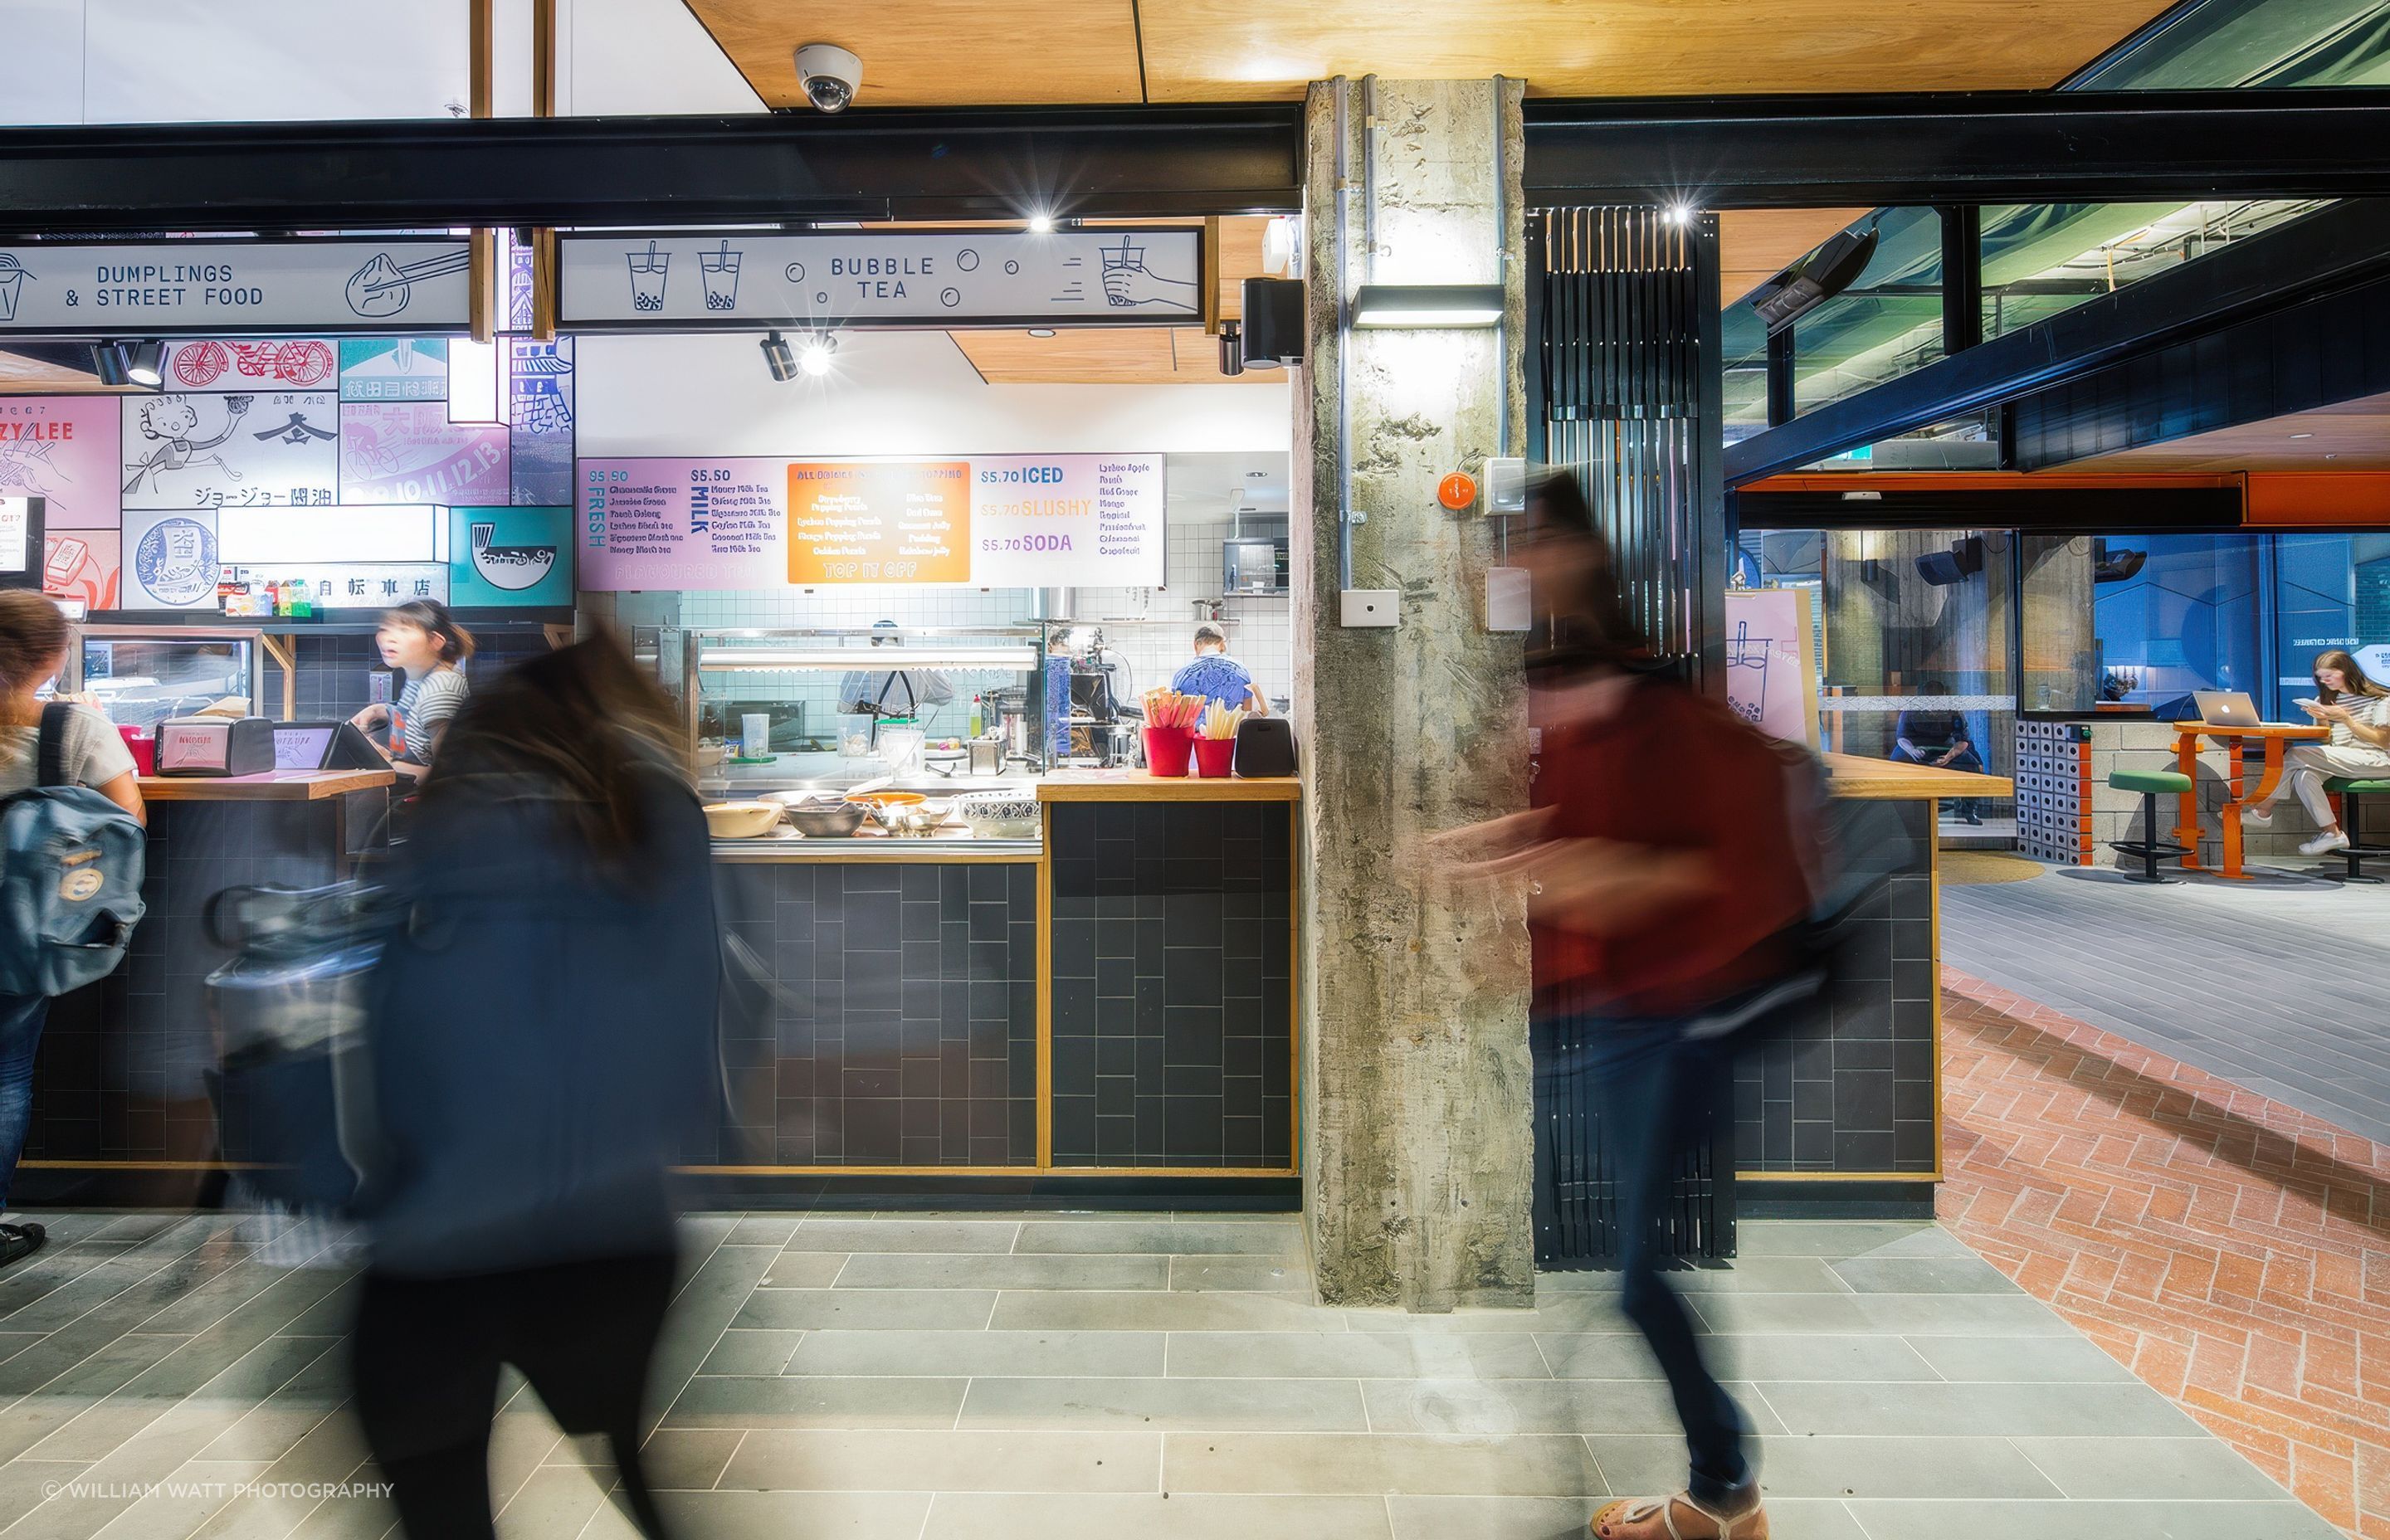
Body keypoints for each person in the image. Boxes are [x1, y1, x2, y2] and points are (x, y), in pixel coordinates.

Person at [1433, 472, 1811, 1540]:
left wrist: (1566, 869)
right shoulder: (1569, 671)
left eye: (1519, 543)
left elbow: (1688, 863)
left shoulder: (1642, 691)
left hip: (1673, 1009)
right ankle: (1724, 1492)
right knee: (1636, 1269)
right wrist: (1486, 853)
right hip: (1612, 1006)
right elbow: (1575, 820)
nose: (1501, 564)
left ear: (1569, 550)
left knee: (1641, 1276)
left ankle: (1728, 1494)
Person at [348, 635, 718, 1539]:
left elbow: (386, 1033)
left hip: (438, 1240)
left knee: (442, 1505)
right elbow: (690, 1029)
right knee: (641, 1472)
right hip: (615, 1227)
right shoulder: (655, 814)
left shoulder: (439, 828)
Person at [0, 592, 144, 1267]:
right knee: (5, 1074)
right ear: (55, 656)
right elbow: (129, 820)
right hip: (23, 930)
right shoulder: (73, 728)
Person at [2241, 648, 2390, 856]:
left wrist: (2346, 719)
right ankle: (2332, 833)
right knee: (2304, 776)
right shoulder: (2326, 700)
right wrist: (2321, 717)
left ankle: (2263, 810)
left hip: (2378, 759)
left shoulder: (2381, 700)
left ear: (2347, 671)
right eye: (2321, 678)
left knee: (2297, 754)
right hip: (2344, 756)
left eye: (2329, 676)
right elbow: (2327, 739)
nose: (2325, 681)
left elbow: (2383, 741)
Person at [349, 600, 472, 782]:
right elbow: (416, 714)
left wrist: (384, 760)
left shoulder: (441, 689)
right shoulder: (420, 674)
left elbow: (449, 775)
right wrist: (379, 710)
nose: (388, 638)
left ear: (435, 642)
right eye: (385, 629)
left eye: (405, 630)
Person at [836, 619, 954, 746]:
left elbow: (845, 706)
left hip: (874, 739)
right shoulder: (918, 659)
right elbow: (945, 695)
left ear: (873, 641)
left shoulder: (864, 661)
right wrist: (920, 695)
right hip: (907, 741)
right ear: (898, 639)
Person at [1890, 683, 1983, 825]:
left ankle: (1969, 811)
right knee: (1895, 766)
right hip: (1915, 749)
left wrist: (1948, 757)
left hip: (1946, 748)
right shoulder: (1910, 710)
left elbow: (1963, 740)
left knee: (1974, 767)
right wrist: (1912, 751)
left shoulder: (1954, 711)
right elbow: (1902, 737)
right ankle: (1904, 815)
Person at [1168, 621, 1269, 714]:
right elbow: (1248, 713)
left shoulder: (1181, 675)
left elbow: (1175, 714)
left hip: (1194, 733)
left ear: (1195, 645)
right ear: (1222, 644)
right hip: (1234, 733)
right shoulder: (1241, 670)